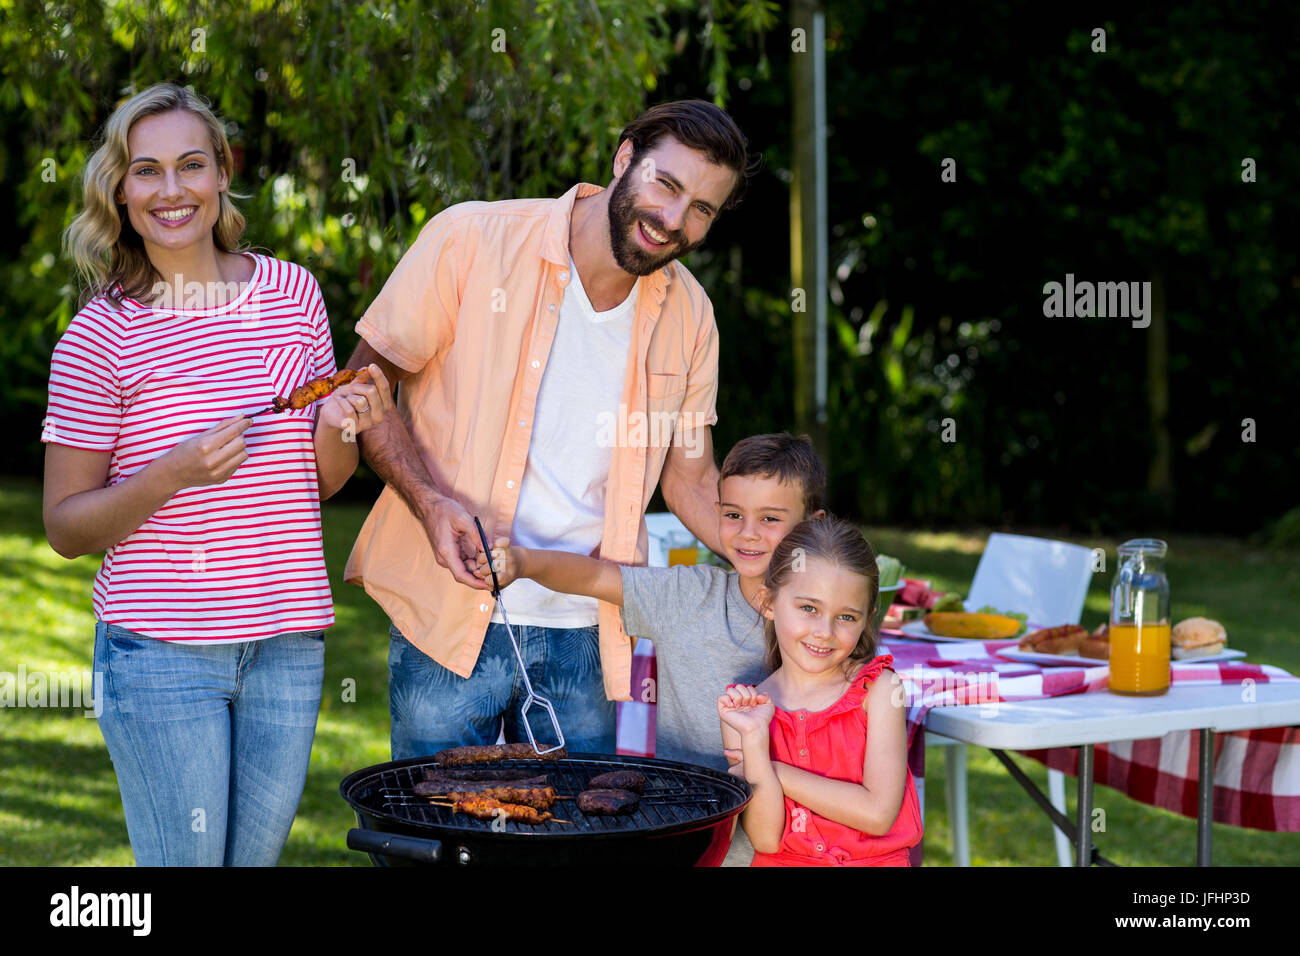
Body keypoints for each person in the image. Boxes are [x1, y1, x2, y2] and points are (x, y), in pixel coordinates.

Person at [41, 83, 390, 865]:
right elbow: (64, 527)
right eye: (147, 171)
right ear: (121, 192)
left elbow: (319, 482)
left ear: (222, 172)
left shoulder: (291, 292)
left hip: (288, 646)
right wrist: (171, 473)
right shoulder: (101, 334)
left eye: (191, 165)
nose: (172, 190)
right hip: (163, 652)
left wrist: (343, 426)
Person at [342, 100, 756, 759]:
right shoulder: (472, 240)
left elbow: (691, 478)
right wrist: (429, 501)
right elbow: (362, 387)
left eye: (702, 209)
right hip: (450, 612)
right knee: (440, 837)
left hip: (587, 632)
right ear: (625, 159)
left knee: (572, 842)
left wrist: (791, 564)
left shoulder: (691, 314)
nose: (675, 221)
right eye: (666, 185)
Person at [475, 433, 824, 866]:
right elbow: (596, 578)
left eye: (770, 519)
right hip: (690, 831)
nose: (748, 534)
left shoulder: (825, 626)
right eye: (733, 514)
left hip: (800, 840)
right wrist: (525, 563)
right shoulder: (689, 594)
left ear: (813, 523)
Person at [717, 517, 923, 867]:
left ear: (867, 619)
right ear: (768, 602)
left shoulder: (879, 691)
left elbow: (876, 814)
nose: (824, 631)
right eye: (809, 608)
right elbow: (766, 840)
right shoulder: (747, 711)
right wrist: (753, 740)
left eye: (846, 617)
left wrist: (771, 769)